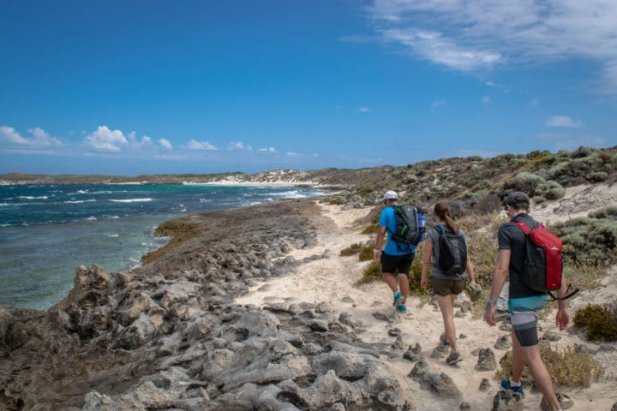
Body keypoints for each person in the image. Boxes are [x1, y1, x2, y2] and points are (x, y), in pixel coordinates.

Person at [484, 192, 570, 411]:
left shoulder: (508, 229)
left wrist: (492, 302)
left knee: (532, 355)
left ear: (509, 209)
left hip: (522, 299)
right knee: (517, 340)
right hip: (542, 295)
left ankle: (555, 407)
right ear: (528, 209)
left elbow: (502, 268)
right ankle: (515, 383)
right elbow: (559, 271)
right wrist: (562, 306)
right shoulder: (541, 229)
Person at [421, 200, 476, 366]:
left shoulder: (433, 233)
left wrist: (424, 277)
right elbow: (467, 258)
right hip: (459, 278)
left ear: (435, 215)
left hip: (441, 278)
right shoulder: (459, 231)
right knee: (450, 311)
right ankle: (445, 339)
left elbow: (426, 260)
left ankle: (454, 351)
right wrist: (472, 279)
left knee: (448, 315)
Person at [373, 190, 417, 314]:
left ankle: (397, 294)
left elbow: (381, 232)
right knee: (403, 275)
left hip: (392, 251)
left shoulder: (386, 211)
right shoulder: (409, 209)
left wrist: (377, 249)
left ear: (386, 201)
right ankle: (402, 306)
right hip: (410, 249)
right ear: (396, 199)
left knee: (386, 272)